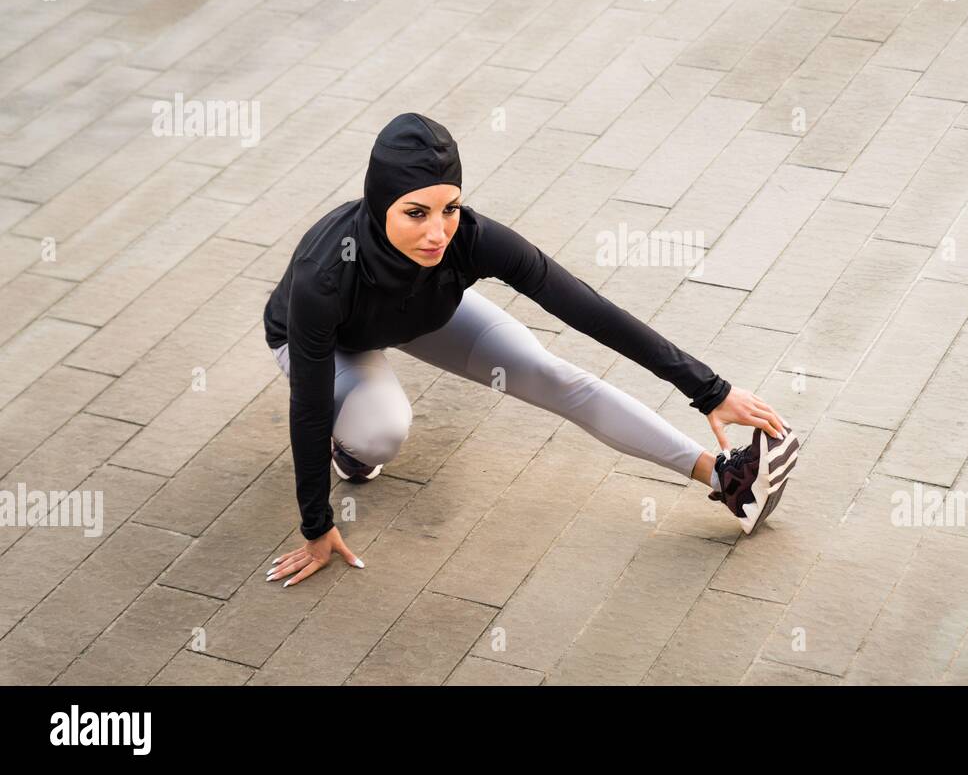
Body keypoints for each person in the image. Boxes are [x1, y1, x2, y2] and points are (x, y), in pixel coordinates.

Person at [262, 113, 800, 587]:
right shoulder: (325, 276)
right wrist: (317, 525)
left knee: (550, 372)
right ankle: (351, 450)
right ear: (382, 206)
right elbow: (307, 407)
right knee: (383, 431)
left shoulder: (470, 238)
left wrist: (709, 390)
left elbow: (588, 311)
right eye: (415, 213)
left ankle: (728, 479)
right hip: (331, 343)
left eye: (449, 208)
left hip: (418, 315)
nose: (437, 232)